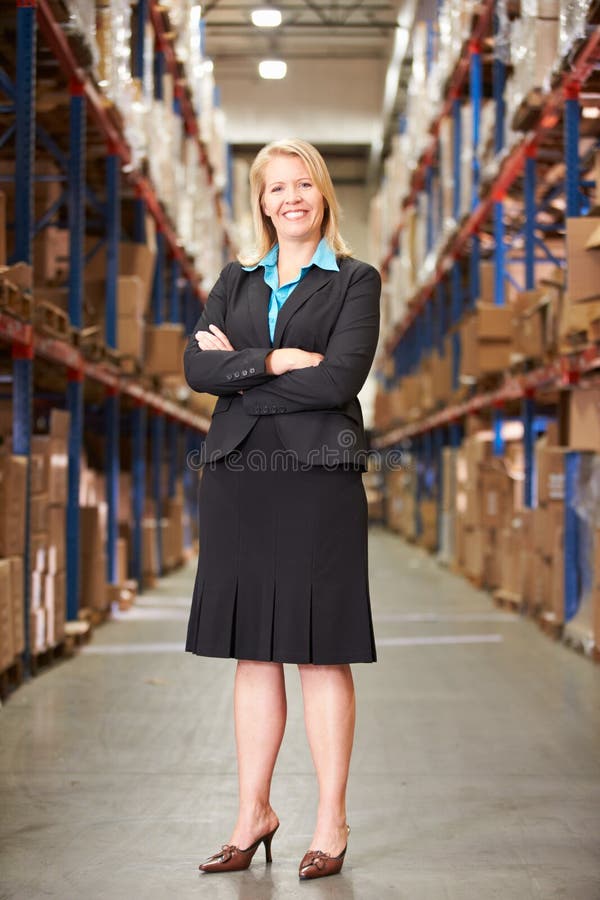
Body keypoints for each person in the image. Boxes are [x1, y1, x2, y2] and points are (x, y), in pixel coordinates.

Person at [183, 138, 381, 880]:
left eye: (303, 184)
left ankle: (331, 820)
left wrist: (241, 378)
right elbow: (196, 368)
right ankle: (253, 814)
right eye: (276, 188)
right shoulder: (234, 280)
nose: (291, 198)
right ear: (261, 203)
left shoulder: (355, 280)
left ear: (323, 193)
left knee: (321, 647)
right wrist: (273, 360)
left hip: (317, 478)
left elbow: (339, 381)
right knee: (253, 649)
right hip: (238, 477)